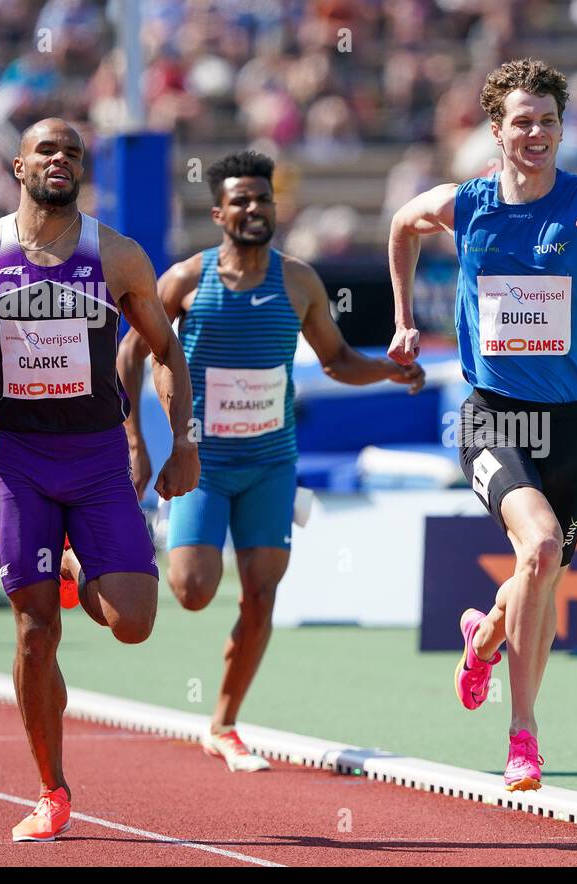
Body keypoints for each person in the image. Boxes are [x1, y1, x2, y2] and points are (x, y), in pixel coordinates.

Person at [0, 118, 199, 841]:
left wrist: (184, 441)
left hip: (98, 458)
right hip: (21, 461)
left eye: (73, 152)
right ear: (18, 165)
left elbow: (165, 350)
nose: (61, 160)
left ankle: (76, 560)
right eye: (48, 150)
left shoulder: (119, 257)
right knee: (38, 635)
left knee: (132, 622)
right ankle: (51, 790)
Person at [387, 59, 577, 791]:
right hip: (492, 419)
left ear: (561, 128)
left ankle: (481, 641)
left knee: (538, 568)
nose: (536, 132)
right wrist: (402, 321)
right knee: (540, 544)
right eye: (522, 121)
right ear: (497, 129)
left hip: (569, 426)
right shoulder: (469, 204)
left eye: (547, 120)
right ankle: (525, 736)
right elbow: (400, 224)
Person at [120, 150, 425, 772]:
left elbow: (337, 359)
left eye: (262, 199)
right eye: (241, 200)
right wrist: (135, 440)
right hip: (202, 462)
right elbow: (130, 356)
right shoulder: (185, 280)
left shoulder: (300, 281)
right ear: (219, 212)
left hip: (271, 463)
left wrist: (393, 372)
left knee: (261, 592)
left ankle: (225, 723)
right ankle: (157, 534)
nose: (254, 208)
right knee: (194, 590)